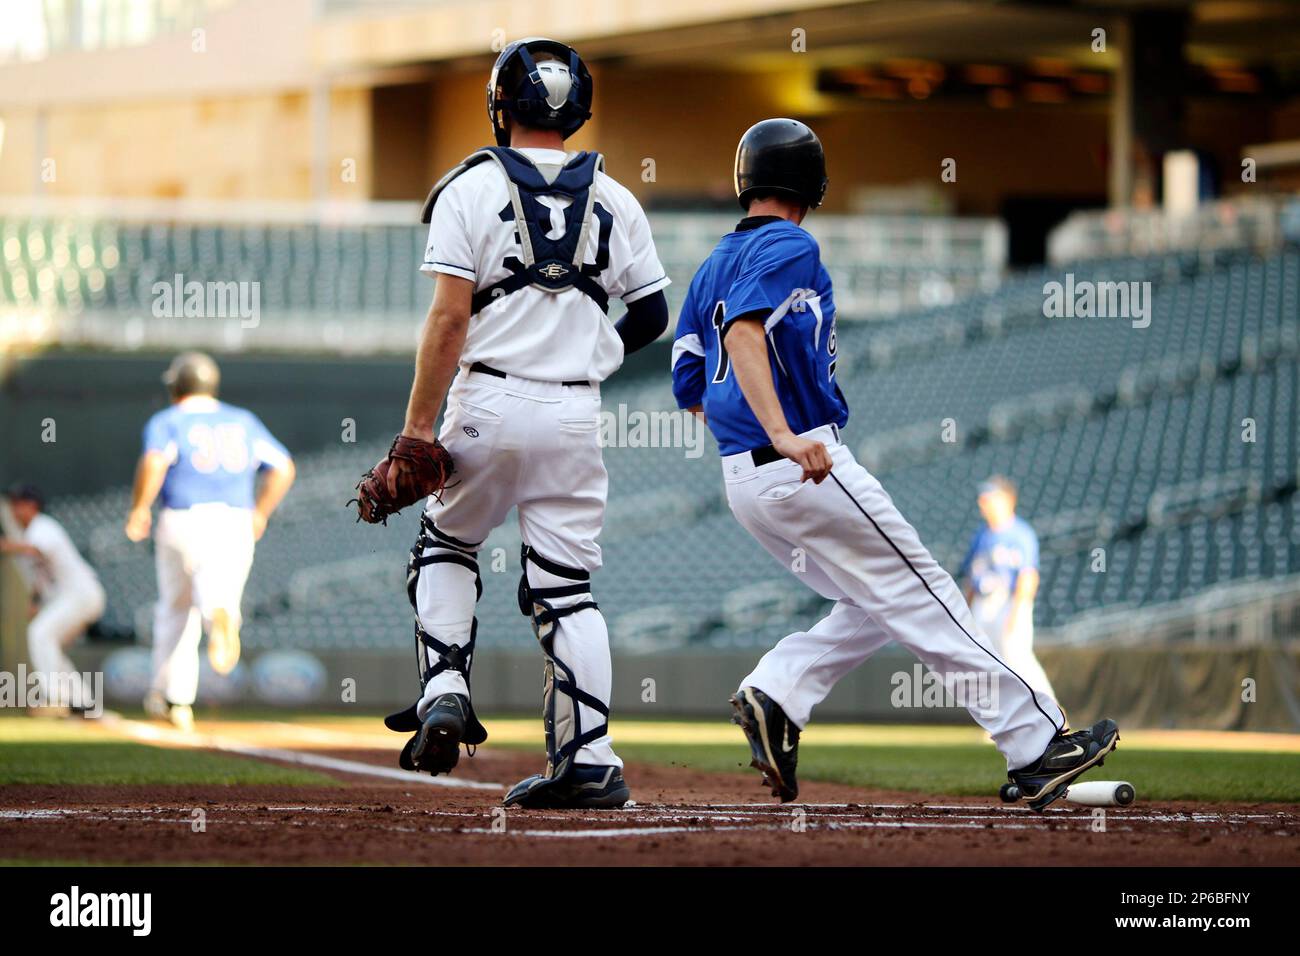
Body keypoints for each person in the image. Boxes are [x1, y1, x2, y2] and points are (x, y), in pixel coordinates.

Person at [670, 118, 1117, 811]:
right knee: (927, 593)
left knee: (876, 600)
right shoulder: (790, 240)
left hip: (745, 480)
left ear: (746, 179)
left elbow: (691, 390)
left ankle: (778, 693)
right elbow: (744, 332)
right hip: (803, 461)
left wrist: (754, 446)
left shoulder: (706, 268)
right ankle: (1035, 744)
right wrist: (784, 434)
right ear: (809, 184)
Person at [378, 36, 669, 809]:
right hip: (575, 411)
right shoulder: (618, 197)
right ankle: (592, 760)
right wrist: (594, 357)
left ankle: (445, 687)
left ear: (500, 104)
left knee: (446, 542)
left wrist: (416, 429)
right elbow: (653, 313)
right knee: (567, 588)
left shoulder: (465, 190)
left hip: (490, 402)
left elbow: (446, 322)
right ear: (578, 107)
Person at [125, 352, 295, 731]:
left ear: (175, 385)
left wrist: (139, 508)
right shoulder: (242, 420)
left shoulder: (168, 420)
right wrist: (261, 512)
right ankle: (219, 612)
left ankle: (173, 698)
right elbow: (283, 466)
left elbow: (154, 461)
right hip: (234, 518)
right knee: (217, 592)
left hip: (184, 517)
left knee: (174, 608)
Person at [1, 484, 105, 712]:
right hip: (72, 598)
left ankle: (57, 698)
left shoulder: (43, 526)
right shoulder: (30, 533)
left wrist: (6, 546)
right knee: (49, 644)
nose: (15, 511)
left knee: (40, 634)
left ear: (32, 506)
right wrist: (34, 602)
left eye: (19, 505)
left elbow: (36, 549)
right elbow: (40, 576)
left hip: (82, 594)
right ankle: (82, 702)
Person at [960, 476, 1057, 702]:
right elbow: (971, 578)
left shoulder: (1020, 534)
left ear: (1008, 500)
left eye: (991, 497)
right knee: (988, 665)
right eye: (984, 498)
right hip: (983, 604)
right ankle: (1002, 721)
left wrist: (1018, 611)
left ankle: (1052, 711)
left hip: (1009, 602)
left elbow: (1028, 576)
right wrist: (966, 610)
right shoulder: (981, 536)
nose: (984, 503)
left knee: (1018, 658)